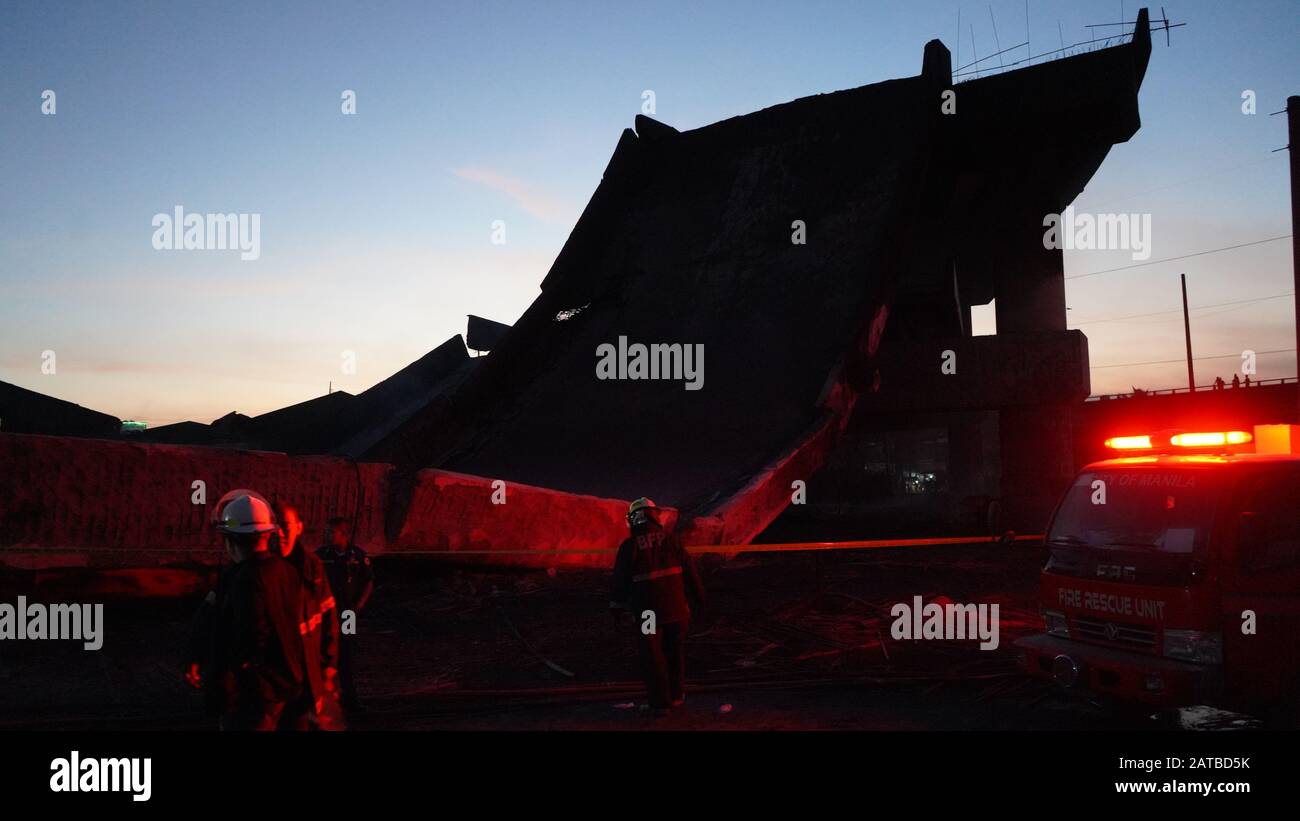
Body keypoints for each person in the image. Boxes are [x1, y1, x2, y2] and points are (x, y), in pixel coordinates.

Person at [209, 493, 313, 730]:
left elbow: (251, 638)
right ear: (268, 534)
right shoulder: (288, 572)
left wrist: (234, 674)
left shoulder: (244, 579)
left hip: (256, 696)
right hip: (286, 685)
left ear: (231, 541)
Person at [609, 497, 705, 717]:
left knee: (653, 657)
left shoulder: (630, 546)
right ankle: (677, 696)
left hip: (648, 612)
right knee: (674, 652)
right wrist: (699, 600)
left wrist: (616, 607)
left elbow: (620, 580)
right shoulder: (673, 539)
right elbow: (691, 573)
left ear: (634, 519)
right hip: (678, 609)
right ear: (654, 515)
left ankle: (660, 704)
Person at [274, 501, 344, 730]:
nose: (280, 533)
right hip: (272, 682)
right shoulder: (259, 568)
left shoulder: (311, 566)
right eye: (274, 526)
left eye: (285, 525)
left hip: (304, 676)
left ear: (299, 527)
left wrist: (329, 662)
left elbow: (328, 614)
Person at [316, 516, 374, 711]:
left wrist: (358, 607)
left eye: (331, 532)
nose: (327, 535)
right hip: (326, 613)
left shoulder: (356, 556)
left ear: (343, 534)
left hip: (348, 612)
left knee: (346, 654)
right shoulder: (322, 555)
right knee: (324, 651)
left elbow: (368, 582)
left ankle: (350, 700)